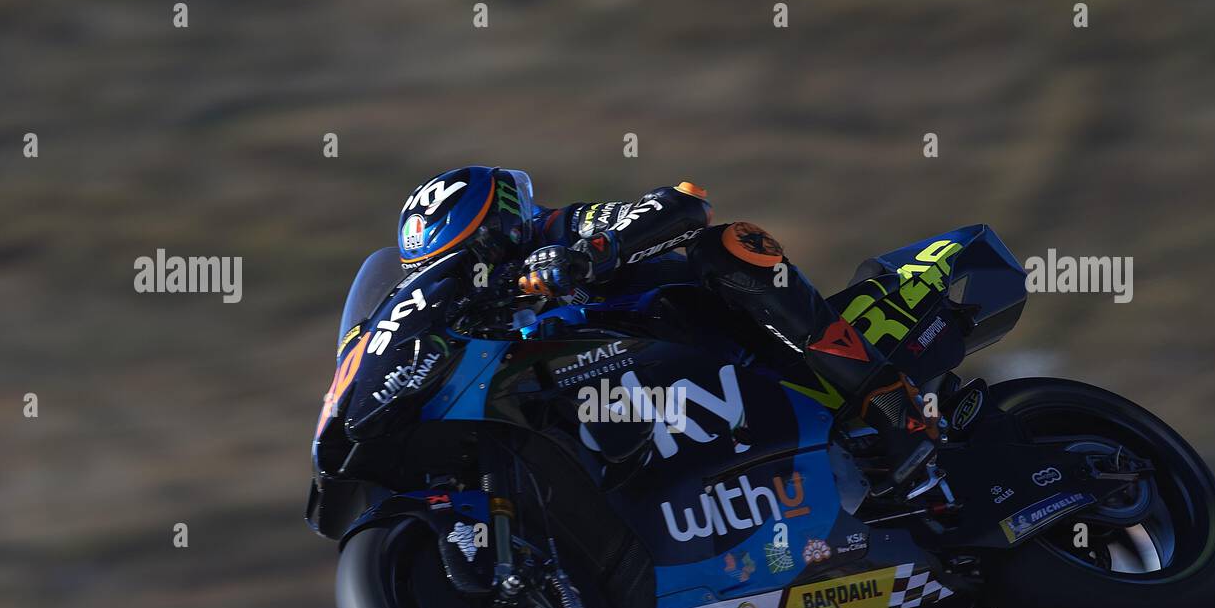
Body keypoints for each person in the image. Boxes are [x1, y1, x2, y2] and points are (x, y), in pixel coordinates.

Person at [396, 165, 939, 495]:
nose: (458, 276)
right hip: (638, 413)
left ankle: (894, 411)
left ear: (501, 228)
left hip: (706, 339)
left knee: (730, 244)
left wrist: (591, 253)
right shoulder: (469, 317)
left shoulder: (561, 228)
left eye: (467, 257)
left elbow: (682, 204)